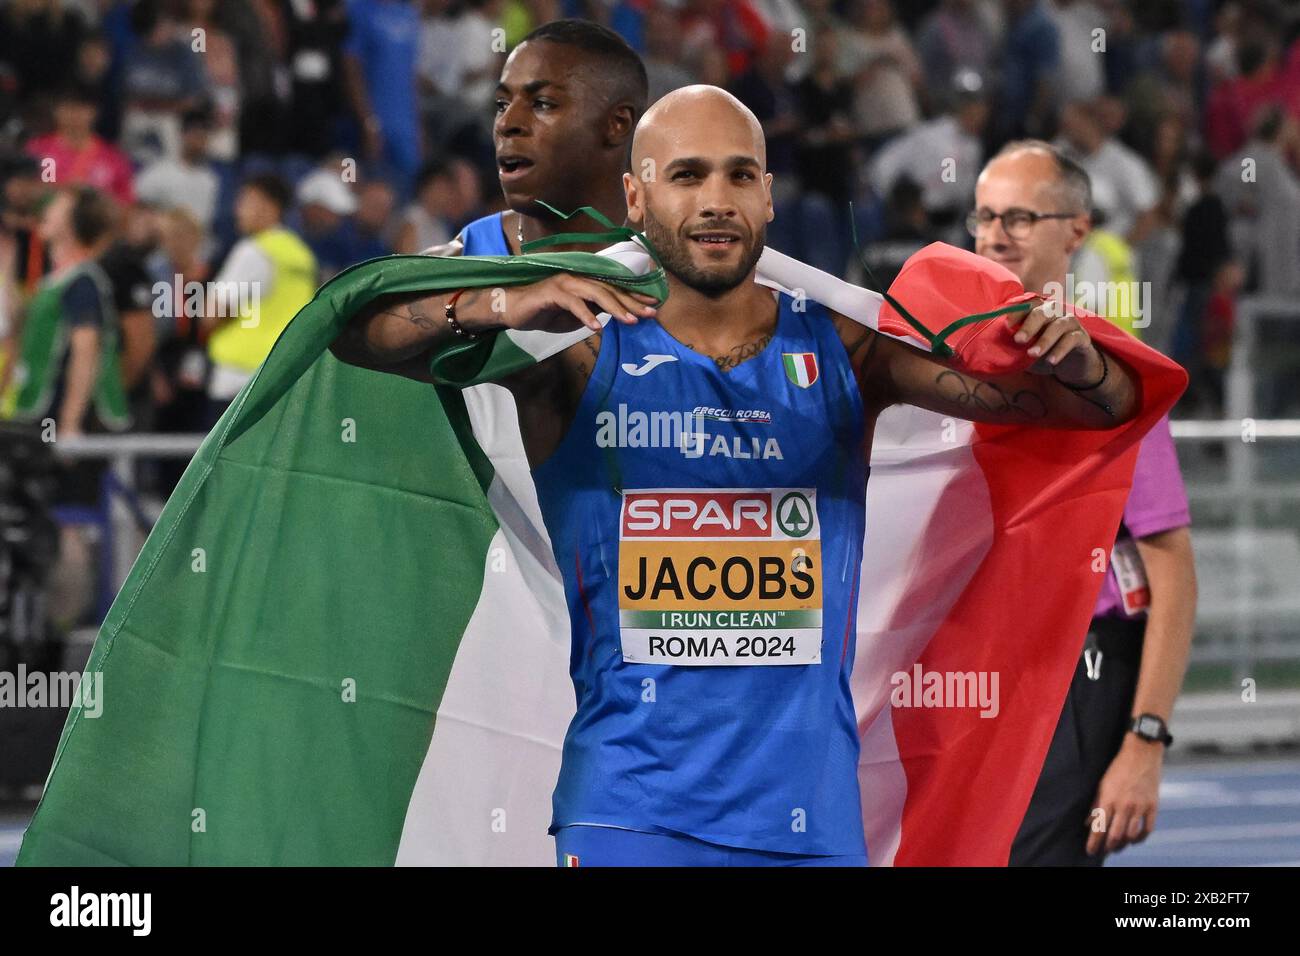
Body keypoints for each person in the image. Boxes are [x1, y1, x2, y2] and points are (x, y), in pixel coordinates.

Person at [331, 84, 1146, 867]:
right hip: (629, 817)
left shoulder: (848, 353)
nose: (717, 199)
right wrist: (499, 305)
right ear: (636, 198)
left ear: (768, 199)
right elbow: (354, 331)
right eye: (687, 175)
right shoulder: (574, 357)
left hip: (810, 824)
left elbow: (1096, 408)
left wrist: (1081, 362)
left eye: (740, 175)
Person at [965, 139, 1197, 865]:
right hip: (971, 672)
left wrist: (1145, 742)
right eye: (984, 216)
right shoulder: (936, 360)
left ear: (1077, 231)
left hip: (1078, 674)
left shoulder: (1115, 372)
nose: (995, 235)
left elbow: (1172, 572)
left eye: (1019, 217)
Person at [202, 174, 317, 424]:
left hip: (236, 381)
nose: (238, 210)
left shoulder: (253, 251)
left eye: (246, 201)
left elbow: (212, 314)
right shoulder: (301, 255)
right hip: (282, 377)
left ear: (270, 206)